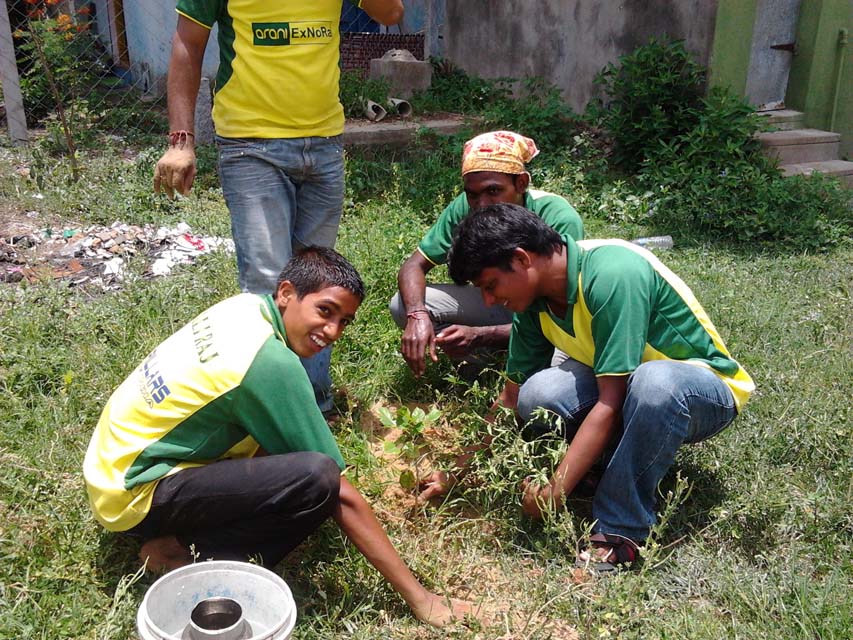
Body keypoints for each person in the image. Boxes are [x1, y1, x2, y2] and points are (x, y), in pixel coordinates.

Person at [83, 247, 472, 627]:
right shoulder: (269, 364)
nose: (332, 332)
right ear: (286, 293)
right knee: (316, 480)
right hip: (134, 494)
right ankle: (186, 555)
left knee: (287, 457)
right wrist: (423, 600)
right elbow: (338, 491)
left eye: (344, 321)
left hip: (110, 463)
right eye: (325, 311)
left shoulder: (243, 308)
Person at [421, 203, 754, 573]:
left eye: (490, 285)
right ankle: (605, 464)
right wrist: (457, 471)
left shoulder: (612, 273)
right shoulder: (534, 301)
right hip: (628, 387)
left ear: (521, 258)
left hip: (700, 390)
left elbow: (610, 402)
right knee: (539, 395)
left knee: (654, 382)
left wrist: (554, 492)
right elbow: (511, 397)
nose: (488, 301)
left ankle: (621, 529)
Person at [153, 0, 404, 413]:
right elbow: (187, 44)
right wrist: (181, 142)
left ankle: (312, 404)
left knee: (319, 283)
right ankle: (271, 409)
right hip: (250, 146)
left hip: (323, 143)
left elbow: (391, 14)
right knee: (270, 283)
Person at [390, 130, 584, 377]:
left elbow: (564, 308)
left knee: (552, 378)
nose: (481, 204)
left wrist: (483, 335)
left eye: (493, 191)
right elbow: (414, 265)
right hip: (498, 300)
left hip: (545, 314)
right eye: (472, 194)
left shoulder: (558, 217)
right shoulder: (465, 206)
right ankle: (485, 364)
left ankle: (512, 358)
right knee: (403, 305)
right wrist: (417, 315)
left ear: (521, 183)